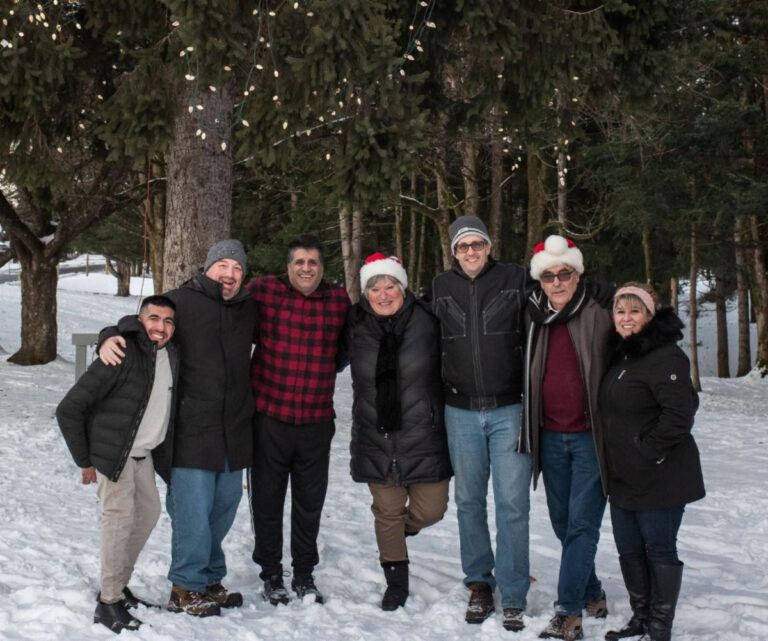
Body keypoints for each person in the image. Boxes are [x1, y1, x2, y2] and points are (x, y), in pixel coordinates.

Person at [98, 239, 258, 618]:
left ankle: (210, 580)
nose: (230, 274)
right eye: (223, 266)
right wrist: (109, 335)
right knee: (192, 512)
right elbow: (141, 322)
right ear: (208, 268)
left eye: (237, 268)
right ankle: (185, 586)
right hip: (191, 429)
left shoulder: (249, 308)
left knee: (223, 509)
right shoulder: (182, 302)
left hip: (234, 429)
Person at [430, 215, 533, 632]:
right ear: (453, 252)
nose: (470, 252)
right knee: (469, 501)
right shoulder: (440, 287)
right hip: (461, 411)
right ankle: (479, 583)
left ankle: (513, 592)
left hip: (510, 409)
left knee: (512, 504)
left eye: (477, 244)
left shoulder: (515, 278)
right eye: (462, 246)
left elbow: (552, 303)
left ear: (489, 246)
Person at [57, 296, 179, 633]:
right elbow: (69, 409)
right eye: (154, 318)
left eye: (169, 321)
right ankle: (107, 603)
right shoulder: (121, 353)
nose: (161, 326)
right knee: (120, 521)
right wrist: (84, 461)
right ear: (140, 320)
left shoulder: (172, 354)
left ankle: (118, 585)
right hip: (114, 455)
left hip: (144, 454)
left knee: (149, 514)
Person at [246, 234, 351, 605]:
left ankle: (304, 574)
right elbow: (218, 304)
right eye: (299, 262)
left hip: (315, 421)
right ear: (288, 266)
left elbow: (345, 350)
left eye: (314, 263)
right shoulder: (263, 292)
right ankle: (272, 574)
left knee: (310, 503)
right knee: (267, 501)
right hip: (269, 418)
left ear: (323, 268)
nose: (307, 268)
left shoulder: (338, 300)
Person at [599, 282, 705, 641]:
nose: (626, 318)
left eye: (634, 311)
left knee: (658, 548)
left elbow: (680, 414)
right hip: (623, 475)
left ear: (649, 314)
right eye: (620, 311)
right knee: (628, 548)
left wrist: (647, 451)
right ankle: (640, 618)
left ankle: (660, 627)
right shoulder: (621, 356)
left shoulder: (666, 356)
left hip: (660, 474)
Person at [346, 253, 452, 611]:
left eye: (390, 285)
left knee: (431, 511)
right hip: (377, 437)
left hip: (423, 435)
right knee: (387, 512)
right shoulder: (355, 325)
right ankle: (396, 582)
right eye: (375, 288)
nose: (384, 294)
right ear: (366, 293)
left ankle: (399, 533)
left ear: (402, 287)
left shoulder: (428, 320)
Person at [523, 235, 613, 641]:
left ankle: (568, 612)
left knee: (581, 525)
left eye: (564, 274)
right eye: (548, 276)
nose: (557, 282)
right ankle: (591, 589)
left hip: (591, 438)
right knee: (563, 524)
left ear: (578, 275)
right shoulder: (533, 317)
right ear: (540, 281)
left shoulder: (600, 312)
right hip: (550, 436)